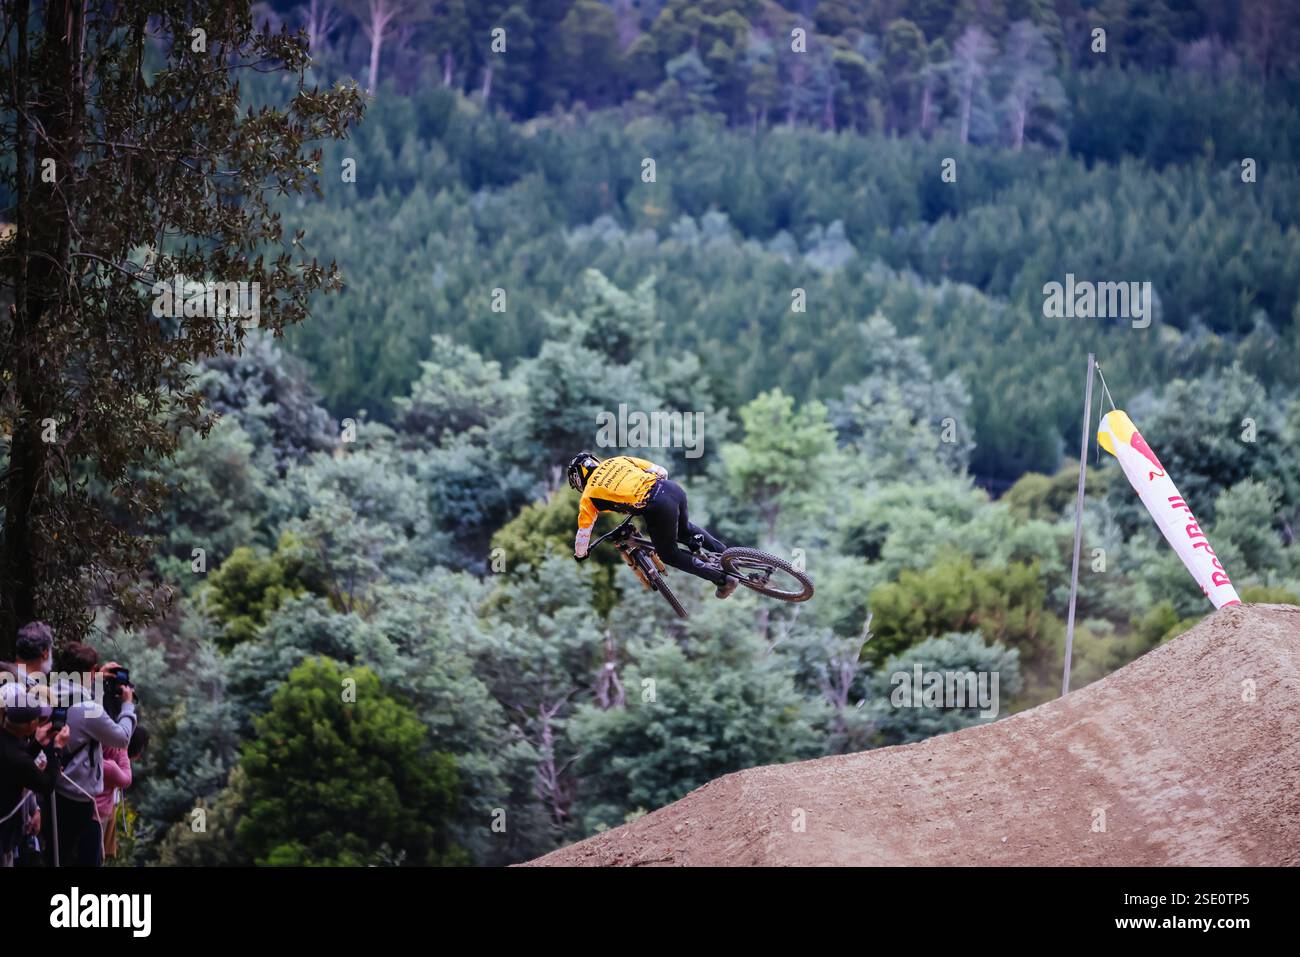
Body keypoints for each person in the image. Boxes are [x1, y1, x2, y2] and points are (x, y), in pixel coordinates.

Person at [567, 452, 737, 598]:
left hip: (656, 506)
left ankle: (722, 580)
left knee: (669, 554)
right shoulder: (617, 460)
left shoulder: (589, 495)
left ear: (578, 478)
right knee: (685, 530)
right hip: (671, 489)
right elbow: (661, 471)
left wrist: (581, 554)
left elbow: (584, 532)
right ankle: (729, 557)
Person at [43, 644, 136, 867]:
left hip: (50, 786)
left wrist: (95, 677)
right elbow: (122, 738)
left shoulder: (49, 692)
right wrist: (127, 706)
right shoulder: (90, 711)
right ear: (91, 671)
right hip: (77, 795)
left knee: (55, 855)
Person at [0, 683, 69, 867]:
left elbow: (17, 762)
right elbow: (47, 785)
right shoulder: (19, 760)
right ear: (31, 724)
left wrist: (37, 743)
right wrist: (57, 749)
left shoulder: (9, 744)